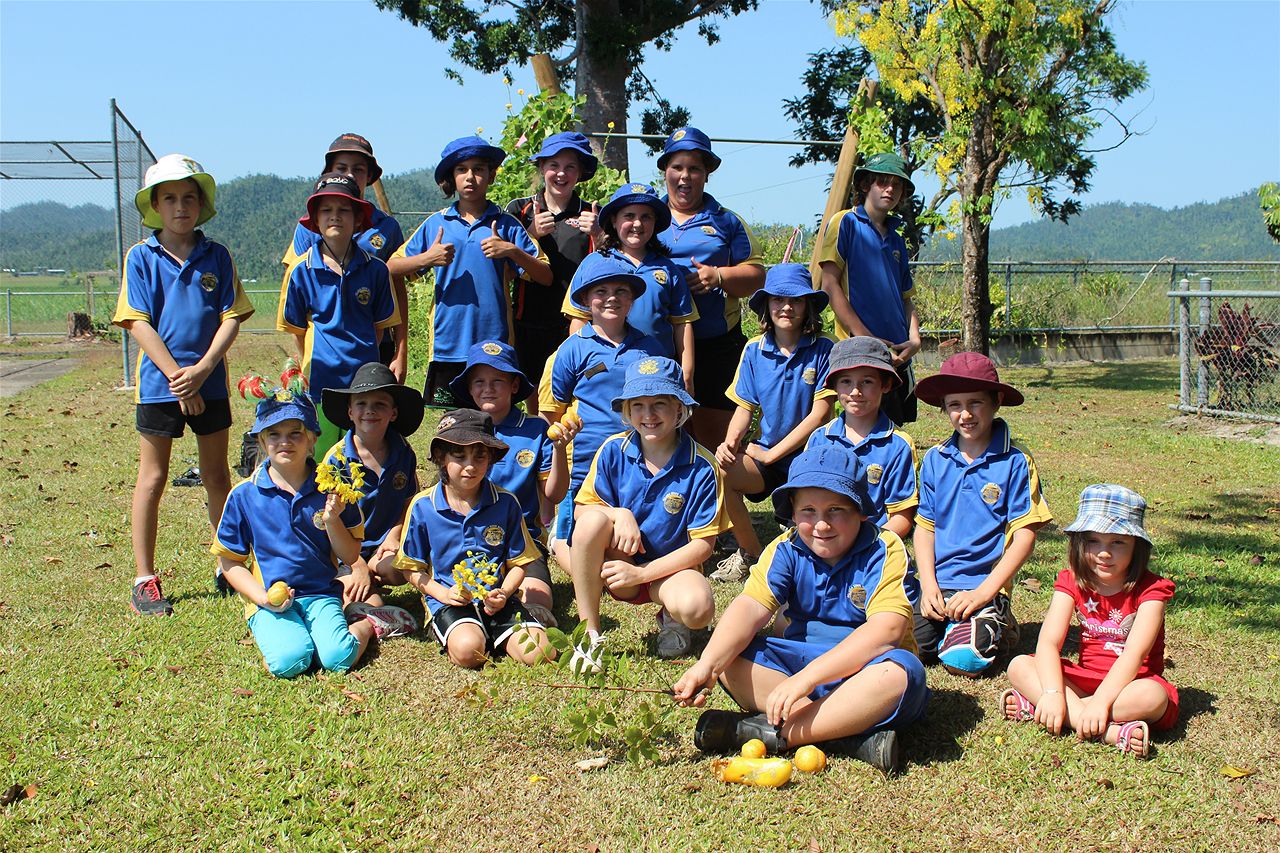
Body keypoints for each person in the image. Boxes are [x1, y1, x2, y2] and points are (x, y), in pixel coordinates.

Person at [672, 447, 928, 775]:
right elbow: (749, 606)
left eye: (836, 510)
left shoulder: (884, 548)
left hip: (863, 673)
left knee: (900, 673)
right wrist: (706, 667)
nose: (821, 525)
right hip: (797, 670)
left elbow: (887, 631)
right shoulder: (785, 549)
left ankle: (773, 732)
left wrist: (804, 681)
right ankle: (844, 737)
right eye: (808, 510)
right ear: (792, 513)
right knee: (728, 656)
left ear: (861, 511)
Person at [112, 154, 255, 615]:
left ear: (201, 204)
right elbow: (137, 321)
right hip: (161, 388)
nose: (180, 207)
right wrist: (180, 378)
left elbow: (231, 316)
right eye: (170, 198)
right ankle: (144, 579)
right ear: (155, 205)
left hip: (209, 385)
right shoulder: (140, 257)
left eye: (189, 198)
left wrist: (204, 370)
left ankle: (227, 564)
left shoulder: (218, 255)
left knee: (217, 476)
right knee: (152, 478)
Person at [212, 385, 415, 678]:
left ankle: (366, 624)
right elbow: (230, 562)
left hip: (321, 594)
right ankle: (285, 636)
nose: (285, 442)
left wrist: (333, 520)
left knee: (337, 658)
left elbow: (349, 554)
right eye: (274, 434)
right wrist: (261, 597)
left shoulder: (333, 487)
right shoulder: (245, 495)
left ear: (312, 439)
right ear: (261, 440)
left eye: (295, 433)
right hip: (271, 598)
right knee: (290, 662)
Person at [568, 356, 730, 670]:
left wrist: (642, 574)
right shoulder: (613, 450)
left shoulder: (703, 465)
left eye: (659, 403)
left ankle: (673, 618)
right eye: (638, 405)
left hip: (669, 571)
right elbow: (581, 510)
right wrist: (619, 514)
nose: (648, 414)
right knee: (590, 524)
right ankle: (588, 634)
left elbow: (703, 546)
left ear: (679, 408)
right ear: (627, 411)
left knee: (698, 608)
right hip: (620, 564)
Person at [1002, 485, 1176, 758]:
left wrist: (1101, 703)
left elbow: (1135, 653)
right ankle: (1109, 732)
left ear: (1136, 547)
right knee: (1020, 665)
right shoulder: (1071, 580)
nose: (1104, 553)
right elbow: (1048, 642)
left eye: (1118, 542)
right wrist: (1052, 692)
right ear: (1080, 543)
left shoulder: (1152, 590)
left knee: (1153, 697)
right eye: (1093, 541)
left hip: (1130, 685)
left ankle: (1045, 710)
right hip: (1084, 679)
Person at [912, 352, 1052, 676]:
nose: (965, 414)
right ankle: (958, 628)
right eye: (955, 405)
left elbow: (1024, 537)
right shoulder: (935, 459)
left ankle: (993, 619)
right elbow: (925, 527)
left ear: (996, 401)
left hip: (984, 586)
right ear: (944, 408)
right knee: (900, 647)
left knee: (962, 661)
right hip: (938, 586)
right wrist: (929, 585)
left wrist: (983, 593)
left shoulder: (1016, 460)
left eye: (975, 403)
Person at [387, 136, 551, 408]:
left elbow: (545, 275)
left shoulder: (506, 225)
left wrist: (511, 251)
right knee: (452, 425)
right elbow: (392, 267)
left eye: (478, 169)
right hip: (448, 344)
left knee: (494, 419)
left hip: (495, 345)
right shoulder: (436, 224)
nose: (470, 177)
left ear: (490, 175)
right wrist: (427, 258)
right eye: (462, 170)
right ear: (451, 177)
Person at [394, 409, 555, 669]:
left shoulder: (506, 503)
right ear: (440, 457)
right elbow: (411, 570)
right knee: (469, 652)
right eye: (459, 455)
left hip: (497, 599)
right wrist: (444, 594)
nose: (470, 465)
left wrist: (504, 592)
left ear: (490, 458)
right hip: (450, 601)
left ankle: (497, 632)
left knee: (541, 653)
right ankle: (462, 632)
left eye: (480, 456)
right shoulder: (423, 506)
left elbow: (519, 564)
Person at [539, 253, 663, 574]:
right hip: (586, 464)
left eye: (621, 291)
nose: (612, 298)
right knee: (580, 549)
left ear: (633, 299)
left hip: (639, 459)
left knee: (634, 543)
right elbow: (558, 406)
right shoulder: (572, 349)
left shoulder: (651, 347)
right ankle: (558, 542)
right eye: (601, 291)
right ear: (584, 299)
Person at [712, 263, 835, 583]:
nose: (787, 307)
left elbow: (820, 415)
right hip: (765, 454)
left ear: (808, 305)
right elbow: (744, 408)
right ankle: (749, 554)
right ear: (766, 304)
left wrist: (771, 455)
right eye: (778, 299)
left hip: (810, 457)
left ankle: (799, 535)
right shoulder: (754, 349)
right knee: (722, 470)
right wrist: (730, 442)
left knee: (807, 532)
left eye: (796, 300)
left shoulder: (825, 347)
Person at [655, 127, 765, 448]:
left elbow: (757, 276)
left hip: (716, 347)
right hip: (659, 347)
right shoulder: (646, 217)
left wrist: (719, 276)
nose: (685, 176)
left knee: (717, 449)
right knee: (663, 444)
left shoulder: (726, 222)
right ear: (665, 171)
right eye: (677, 167)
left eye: (694, 168)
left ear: (707, 175)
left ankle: (720, 495)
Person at [449, 340, 572, 627]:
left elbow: (554, 495)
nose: (488, 388)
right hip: (469, 541)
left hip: (523, 542)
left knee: (539, 603)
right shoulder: (457, 429)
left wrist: (559, 452)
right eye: (479, 381)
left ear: (515, 386)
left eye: (498, 381)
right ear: (469, 388)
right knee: (468, 601)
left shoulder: (535, 430)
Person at [277, 173, 400, 453]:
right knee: (321, 456)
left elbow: (379, 327)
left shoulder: (376, 270)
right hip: (321, 382)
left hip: (364, 382)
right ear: (316, 220)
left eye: (344, 210)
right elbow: (297, 330)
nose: (335, 216)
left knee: (361, 453)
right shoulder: (301, 270)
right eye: (327, 210)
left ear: (358, 220)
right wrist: (307, 364)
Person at [281, 133, 409, 380]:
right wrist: (300, 362)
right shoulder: (309, 227)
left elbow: (398, 289)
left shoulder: (387, 227)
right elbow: (296, 294)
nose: (350, 175)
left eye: (358, 169)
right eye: (341, 168)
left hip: (372, 341)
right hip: (322, 354)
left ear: (370, 176)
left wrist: (400, 352)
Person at [818, 152, 922, 425]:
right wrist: (868, 340)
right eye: (882, 182)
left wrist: (914, 338)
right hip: (859, 353)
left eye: (896, 185)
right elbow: (829, 285)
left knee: (895, 431)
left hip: (898, 356)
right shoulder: (845, 223)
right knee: (857, 428)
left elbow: (906, 298)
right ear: (865, 185)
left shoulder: (898, 240)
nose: (890, 189)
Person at [562, 183, 697, 383]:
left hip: (656, 373)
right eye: (629, 216)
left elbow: (682, 324)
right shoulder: (593, 262)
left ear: (655, 222)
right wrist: (581, 365)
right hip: (604, 373)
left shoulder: (669, 270)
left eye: (646, 217)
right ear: (614, 221)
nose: (637, 224)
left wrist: (687, 375)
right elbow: (579, 318)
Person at [504, 132, 601, 410]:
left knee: (574, 395)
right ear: (542, 168)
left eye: (570, 166)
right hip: (528, 321)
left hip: (577, 321)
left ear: (581, 172)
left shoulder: (591, 213)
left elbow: (609, 261)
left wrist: (599, 233)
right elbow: (503, 270)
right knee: (533, 400)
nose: (561, 173)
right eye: (554, 165)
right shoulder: (518, 211)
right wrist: (531, 234)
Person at [319, 361, 424, 603]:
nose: (370, 411)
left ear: (393, 413)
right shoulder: (336, 460)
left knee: (399, 570)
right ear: (350, 412)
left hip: (382, 547)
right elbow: (327, 522)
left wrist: (394, 536)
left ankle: (372, 576)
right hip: (343, 550)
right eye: (362, 404)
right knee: (359, 600)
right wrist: (356, 564)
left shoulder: (403, 451)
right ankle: (360, 582)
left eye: (380, 404)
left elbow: (409, 502)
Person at [804, 336, 919, 541]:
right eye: (846, 382)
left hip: (875, 546)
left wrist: (866, 546)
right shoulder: (819, 439)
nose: (856, 392)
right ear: (835, 387)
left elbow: (901, 517)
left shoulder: (899, 445)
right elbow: (805, 505)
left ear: (886, 385)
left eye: (867, 381)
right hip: (823, 542)